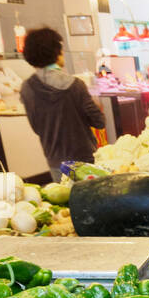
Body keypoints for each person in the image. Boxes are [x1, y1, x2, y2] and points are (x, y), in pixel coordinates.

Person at [18, 26, 105, 182]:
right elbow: (99, 122)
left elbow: (36, 127)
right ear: (56, 52)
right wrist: (96, 102)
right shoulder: (75, 85)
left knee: (65, 202)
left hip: (54, 161)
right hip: (85, 160)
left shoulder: (27, 88)